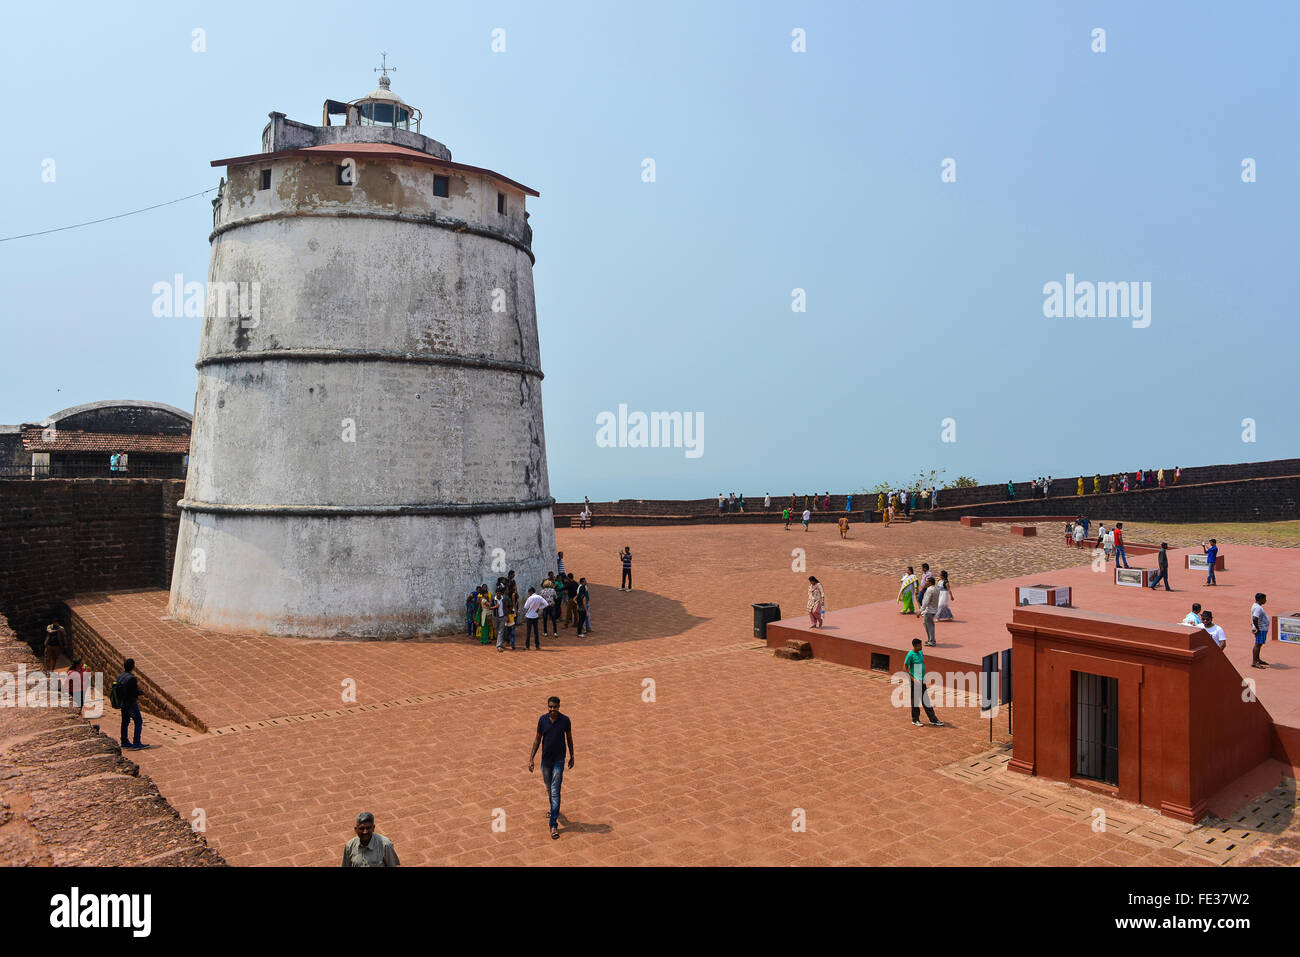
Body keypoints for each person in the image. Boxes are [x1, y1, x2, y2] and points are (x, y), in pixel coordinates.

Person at [529, 696, 574, 840]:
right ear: (547, 707)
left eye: (555, 707)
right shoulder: (542, 720)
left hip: (559, 760)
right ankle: (553, 809)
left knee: (555, 791)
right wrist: (531, 758)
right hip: (545, 760)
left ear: (559, 707)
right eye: (550, 707)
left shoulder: (565, 720)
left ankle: (553, 824)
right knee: (549, 788)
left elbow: (569, 738)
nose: (552, 709)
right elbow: (537, 739)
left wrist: (572, 756)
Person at [904, 639, 944, 727]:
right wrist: (913, 679)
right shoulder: (910, 655)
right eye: (919, 645)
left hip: (922, 680)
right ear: (915, 646)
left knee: (926, 700)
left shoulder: (921, 652)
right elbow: (905, 668)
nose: (921, 647)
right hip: (915, 681)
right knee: (915, 701)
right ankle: (915, 719)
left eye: (921, 645)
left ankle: (933, 719)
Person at [115, 658, 146, 750]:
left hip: (123, 703)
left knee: (125, 722)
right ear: (133, 667)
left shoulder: (120, 676)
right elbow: (133, 692)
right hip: (131, 703)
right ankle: (136, 743)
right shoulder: (132, 678)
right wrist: (141, 692)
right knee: (138, 721)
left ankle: (124, 742)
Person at [1250, 594, 1270, 669]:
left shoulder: (1256, 606)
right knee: (1257, 644)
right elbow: (1255, 618)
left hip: (1261, 628)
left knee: (1259, 644)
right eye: (1264, 599)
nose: (1266, 600)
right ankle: (1254, 662)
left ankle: (1257, 659)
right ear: (1260, 599)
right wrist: (1258, 628)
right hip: (1261, 629)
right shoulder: (1258, 608)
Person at [919, 576, 939, 646]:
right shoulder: (936, 589)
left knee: (929, 625)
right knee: (926, 623)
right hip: (933, 609)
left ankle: (932, 641)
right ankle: (930, 639)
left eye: (927, 581)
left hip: (929, 610)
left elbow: (926, 601)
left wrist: (920, 610)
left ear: (930, 583)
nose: (926, 582)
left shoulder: (929, 590)